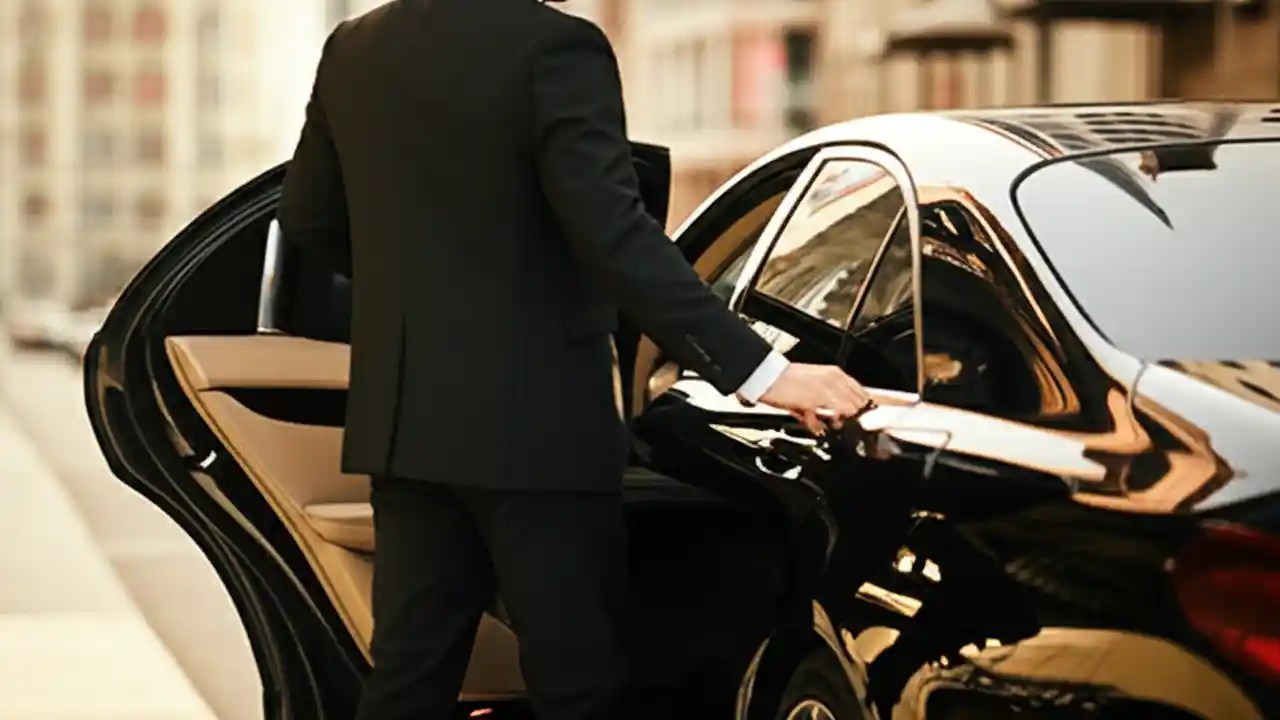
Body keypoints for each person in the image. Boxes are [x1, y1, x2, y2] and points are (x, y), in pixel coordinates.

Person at [277, 0, 872, 718]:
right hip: (537, 424)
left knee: (408, 673)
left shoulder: (356, 49)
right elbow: (614, 235)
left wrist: (419, 300)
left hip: (407, 423)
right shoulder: (559, 48)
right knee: (576, 681)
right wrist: (765, 372)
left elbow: (309, 216)